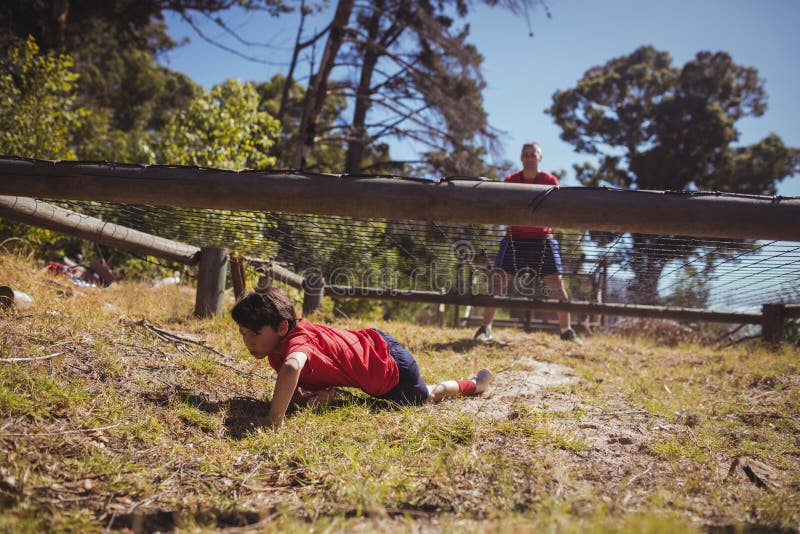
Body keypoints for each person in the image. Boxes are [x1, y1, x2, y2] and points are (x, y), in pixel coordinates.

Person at [232, 287, 494, 428]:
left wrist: (273, 419)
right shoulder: (277, 351)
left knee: (426, 396)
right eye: (242, 333)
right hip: (374, 346)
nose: (248, 341)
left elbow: (292, 368)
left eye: (253, 333)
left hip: (390, 367)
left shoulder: (296, 344)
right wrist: (312, 399)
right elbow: (302, 383)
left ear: (281, 328)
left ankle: (475, 384)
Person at [474, 141, 582, 345]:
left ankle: (566, 330)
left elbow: (555, 209)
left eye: (533, 154)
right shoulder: (511, 179)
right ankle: (485, 327)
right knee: (499, 279)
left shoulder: (549, 180)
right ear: (521, 158)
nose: (530, 157)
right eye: (526, 154)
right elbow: (504, 206)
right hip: (514, 237)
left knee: (556, 282)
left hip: (543, 239)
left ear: (540, 158)